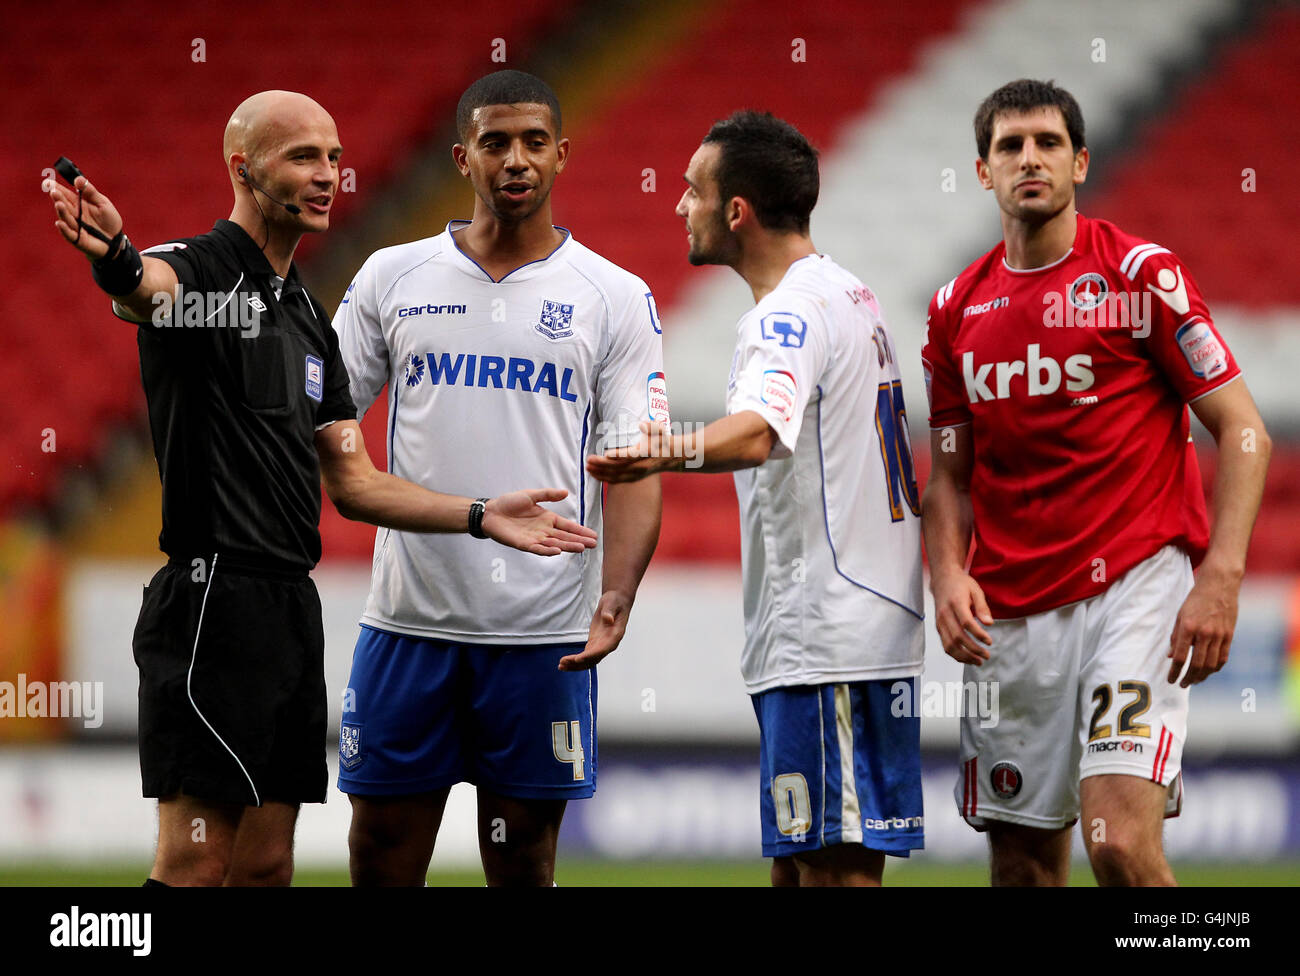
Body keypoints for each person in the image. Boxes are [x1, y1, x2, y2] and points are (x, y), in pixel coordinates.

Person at [44, 90, 596, 887]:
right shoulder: (203, 277)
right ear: (243, 167)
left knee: (267, 866)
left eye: (334, 157)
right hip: (211, 602)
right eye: (303, 157)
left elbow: (356, 483)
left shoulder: (307, 318)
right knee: (198, 861)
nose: (329, 174)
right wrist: (118, 259)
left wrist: (480, 515)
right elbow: (149, 293)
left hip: (288, 614)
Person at [920, 78, 1271, 886]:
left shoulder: (1138, 277)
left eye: (1047, 143)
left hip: (1135, 589)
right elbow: (949, 476)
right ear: (984, 172)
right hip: (1009, 613)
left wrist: (1219, 575)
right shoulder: (953, 311)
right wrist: (945, 572)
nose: (1029, 158)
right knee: (1022, 868)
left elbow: (1243, 430)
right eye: (1010, 146)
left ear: (1080, 163)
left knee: (1117, 842)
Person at [332, 70, 664, 887]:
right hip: (410, 623)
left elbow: (638, 468)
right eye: (494, 142)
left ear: (561, 155)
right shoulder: (391, 277)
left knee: (522, 862)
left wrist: (615, 599)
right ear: (463, 157)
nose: (515, 159)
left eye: (533, 142)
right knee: (381, 851)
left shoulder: (614, 297)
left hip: (540, 638)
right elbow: (328, 432)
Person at [588, 111, 926, 887]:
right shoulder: (850, 293)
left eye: (692, 192)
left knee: (836, 869)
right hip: (856, 628)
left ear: (735, 211)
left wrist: (656, 448)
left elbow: (756, 434)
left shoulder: (784, 314)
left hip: (829, 638)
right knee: (801, 861)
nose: (680, 206)